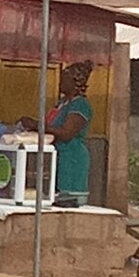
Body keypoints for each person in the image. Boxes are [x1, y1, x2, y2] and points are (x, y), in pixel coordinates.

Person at [22, 61, 94, 197]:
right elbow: (51, 126)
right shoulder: (62, 103)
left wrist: (37, 126)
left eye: (64, 80)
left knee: (66, 198)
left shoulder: (80, 105)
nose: (60, 82)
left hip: (71, 158)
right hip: (56, 155)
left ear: (75, 83)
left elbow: (67, 133)